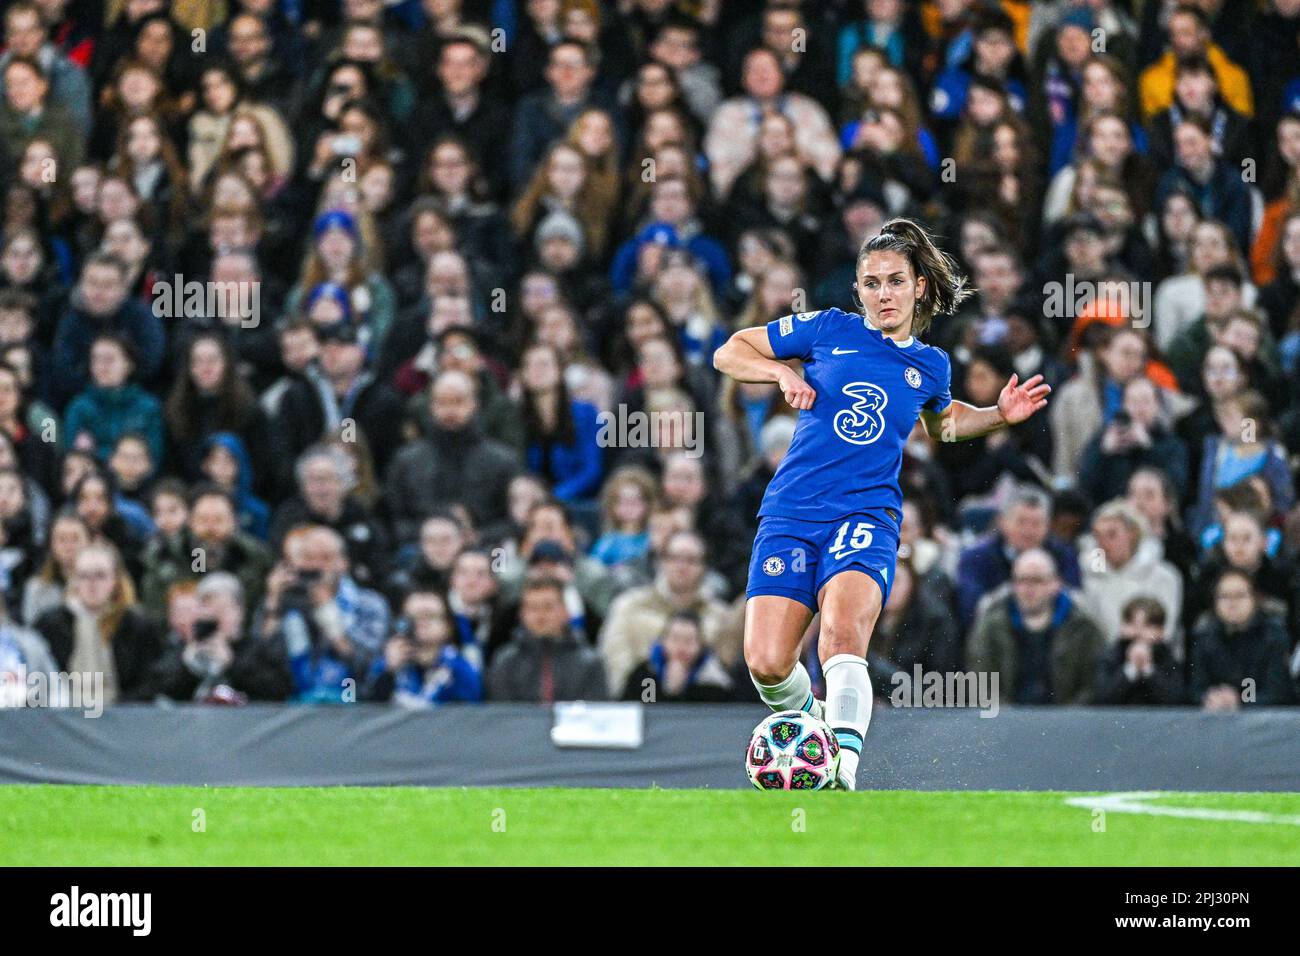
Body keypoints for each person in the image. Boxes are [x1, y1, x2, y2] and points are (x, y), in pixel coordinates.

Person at [712, 217, 1051, 788]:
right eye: (871, 283)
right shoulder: (825, 328)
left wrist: (996, 415)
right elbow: (730, 351)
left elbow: (942, 426)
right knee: (767, 662)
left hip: (867, 513)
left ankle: (840, 768)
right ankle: (816, 727)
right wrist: (777, 372)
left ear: (919, 286)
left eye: (895, 281)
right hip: (792, 512)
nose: (883, 294)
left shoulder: (931, 365)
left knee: (841, 636)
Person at [965, 548, 1105, 705]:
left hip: (1067, 723)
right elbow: (979, 680)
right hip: (1006, 722)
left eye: (1037, 580)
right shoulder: (991, 625)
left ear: (1055, 584)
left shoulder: (1083, 627)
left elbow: (1094, 685)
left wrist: (1066, 720)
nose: (1028, 588)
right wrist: (1007, 719)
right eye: (1021, 580)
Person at [486, 577, 608, 703]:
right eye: (532, 607)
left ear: (565, 611)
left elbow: (595, 712)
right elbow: (501, 714)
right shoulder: (505, 662)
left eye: (548, 607)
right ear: (522, 614)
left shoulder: (590, 664)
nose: (540, 615)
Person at [363, 587, 483, 706]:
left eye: (430, 616)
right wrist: (388, 674)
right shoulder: (386, 664)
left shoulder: (460, 669)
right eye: (413, 617)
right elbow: (364, 711)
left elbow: (470, 716)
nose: (421, 623)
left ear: (448, 625)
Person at [620, 610, 732, 703]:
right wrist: (668, 689)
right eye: (675, 639)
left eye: (689, 641)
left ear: (701, 645)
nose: (681, 647)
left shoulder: (715, 681)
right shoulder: (644, 675)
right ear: (663, 641)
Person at [1094, 597, 1185, 705]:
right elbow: (1101, 698)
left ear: (1161, 631)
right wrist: (1130, 669)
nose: (1139, 632)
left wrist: (1148, 670)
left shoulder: (1167, 657)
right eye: (1132, 624)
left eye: (1147, 626)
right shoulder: (1111, 655)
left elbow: (1177, 700)